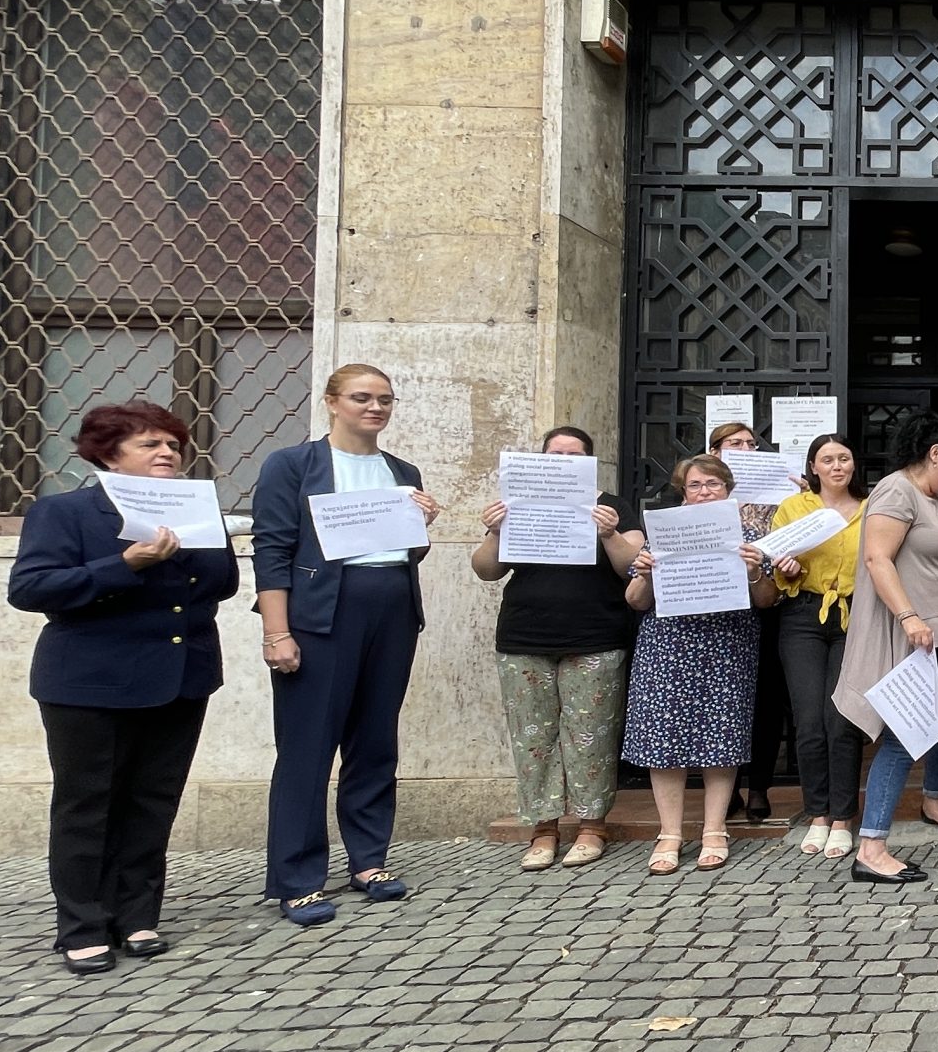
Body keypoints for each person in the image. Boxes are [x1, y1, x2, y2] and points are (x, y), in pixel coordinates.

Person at [8, 403, 241, 973]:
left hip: (180, 678)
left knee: (152, 801)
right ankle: (82, 926)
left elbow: (225, 584)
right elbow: (31, 588)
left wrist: (193, 544)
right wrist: (126, 564)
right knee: (87, 805)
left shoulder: (197, 510)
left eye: (173, 445)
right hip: (89, 683)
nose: (167, 453)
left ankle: (136, 915)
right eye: (150, 444)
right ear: (109, 455)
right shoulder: (65, 512)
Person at [254, 363, 441, 927]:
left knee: (375, 740)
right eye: (362, 397)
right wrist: (276, 632)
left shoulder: (402, 470)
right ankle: (298, 878)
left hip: (392, 610)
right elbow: (272, 550)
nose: (375, 408)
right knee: (307, 747)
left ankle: (368, 860)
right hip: (320, 614)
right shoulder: (293, 464)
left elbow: (403, 551)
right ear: (332, 402)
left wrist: (422, 526)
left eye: (385, 399)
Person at [474, 425, 643, 872]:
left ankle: (591, 826)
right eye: (556, 454)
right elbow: (486, 570)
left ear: (590, 462)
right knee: (533, 738)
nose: (564, 461)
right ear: (541, 460)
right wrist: (495, 531)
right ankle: (543, 828)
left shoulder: (612, 505)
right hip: (525, 635)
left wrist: (609, 533)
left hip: (595, 635)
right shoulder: (518, 505)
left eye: (575, 455)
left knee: (592, 734)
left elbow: (632, 567)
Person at [834, 412, 938, 885]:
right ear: (934, 453)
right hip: (914, 637)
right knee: (902, 736)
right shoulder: (896, 490)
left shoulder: (934, 498)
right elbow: (878, 558)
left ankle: (931, 801)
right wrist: (909, 616)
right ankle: (871, 849)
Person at [623, 454, 779, 873]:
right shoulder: (664, 531)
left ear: (728, 490)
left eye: (713, 484)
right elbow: (635, 601)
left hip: (727, 644)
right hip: (668, 644)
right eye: (695, 485)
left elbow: (767, 600)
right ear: (683, 491)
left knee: (721, 736)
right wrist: (645, 573)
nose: (705, 492)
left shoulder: (749, 535)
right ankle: (669, 833)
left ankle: (714, 829)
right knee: (663, 737)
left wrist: (754, 572)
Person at [768, 433, 867, 861]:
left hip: (855, 615)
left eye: (843, 458)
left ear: (854, 464)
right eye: (827, 460)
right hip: (803, 615)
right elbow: (777, 566)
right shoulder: (795, 508)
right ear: (813, 467)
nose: (836, 466)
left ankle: (843, 818)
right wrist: (787, 569)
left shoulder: (870, 508)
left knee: (841, 719)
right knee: (808, 721)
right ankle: (818, 814)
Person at [710, 418, 797, 824]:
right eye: (735, 444)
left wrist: (802, 498)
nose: (745, 450)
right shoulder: (704, 494)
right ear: (715, 453)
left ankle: (759, 785)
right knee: (720, 703)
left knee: (765, 699)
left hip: (765, 607)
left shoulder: (779, 497)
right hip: (716, 613)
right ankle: (724, 790)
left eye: (750, 444)